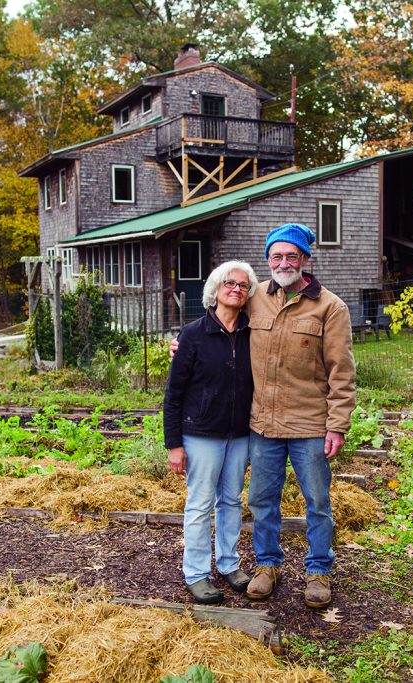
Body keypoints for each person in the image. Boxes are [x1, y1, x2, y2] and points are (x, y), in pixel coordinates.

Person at [243, 223, 356, 610]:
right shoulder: (254, 296)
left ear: (305, 259)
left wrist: (337, 425)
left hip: (310, 425)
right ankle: (267, 565)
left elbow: (342, 371)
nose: (284, 262)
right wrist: (182, 342)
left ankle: (319, 570)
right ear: (268, 260)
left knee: (317, 501)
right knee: (261, 499)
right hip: (264, 425)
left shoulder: (330, 307)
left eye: (292, 255)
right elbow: (219, 322)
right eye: (277, 256)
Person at [163, 261, 259, 604]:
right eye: (229, 283)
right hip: (201, 435)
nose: (236, 289)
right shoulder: (193, 334)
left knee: (232, 501)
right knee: (201, 504)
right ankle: (197, 574)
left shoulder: (253, 333)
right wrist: (174, 444)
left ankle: (229, 564)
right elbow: (173, 393)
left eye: (243, 286)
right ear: (216, 289)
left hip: (238, 434)